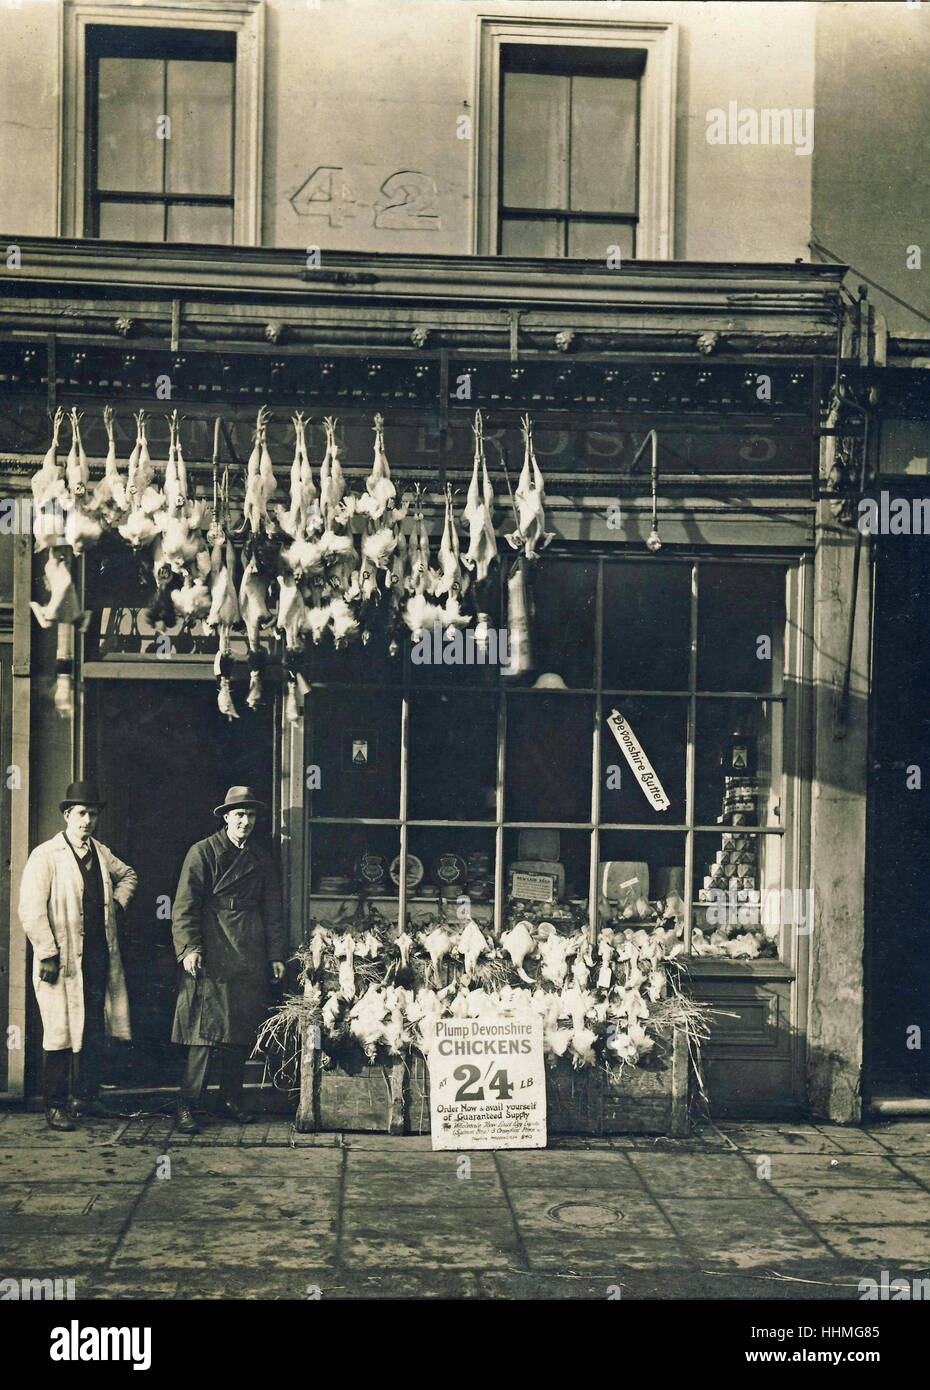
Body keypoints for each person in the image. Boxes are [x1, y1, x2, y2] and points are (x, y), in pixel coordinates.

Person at [18, 780, 138, 1131]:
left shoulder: (100, 853)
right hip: (62, 959)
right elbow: (31, 909)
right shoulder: (46, 855)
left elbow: (128, 875)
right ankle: (55, 1104)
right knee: (58, 1032)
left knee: (93, 1028)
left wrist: (115, 904)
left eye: (93, 814)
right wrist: (47, 952)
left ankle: (85, 1099)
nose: (87, 820)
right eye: (81, 813)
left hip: (97, 957)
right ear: (68, 815)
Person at [171, 786, 285, 1134]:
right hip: (212, 947)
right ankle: (188, 1103)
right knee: (203, 1032)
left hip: (248, 948)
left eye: (250, 815)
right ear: (225, 818)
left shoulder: (261, 858)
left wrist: (276, 955)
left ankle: (230, 1098)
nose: (245, 822)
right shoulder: (202, 852)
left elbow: (272, 909)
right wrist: (189, 948)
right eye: (239, 815)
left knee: (238, 1028)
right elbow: (184, 906)